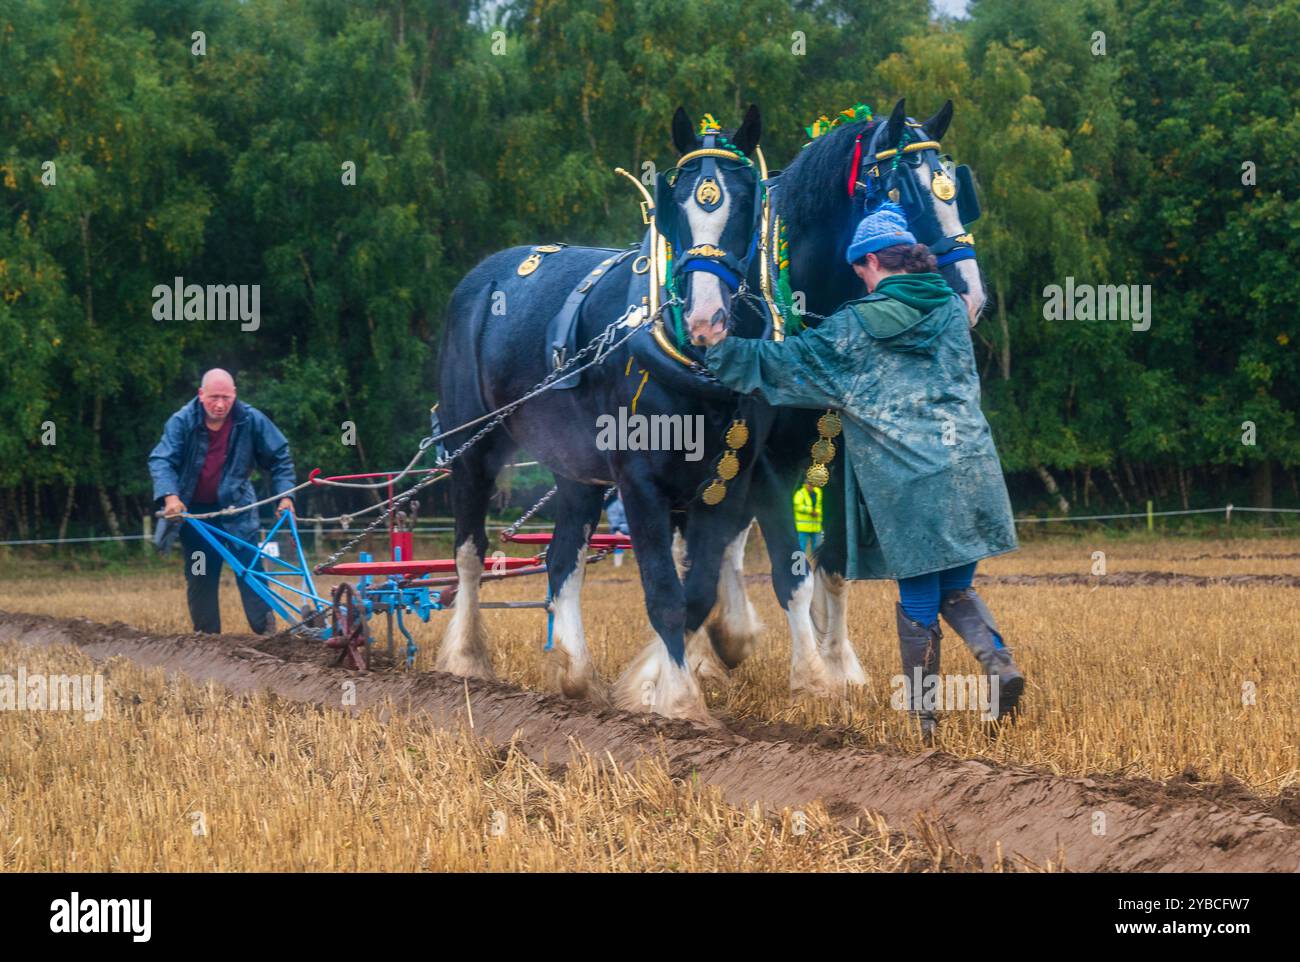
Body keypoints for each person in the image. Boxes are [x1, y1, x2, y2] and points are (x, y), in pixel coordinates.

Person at [690, 202, 1025, 740]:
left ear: (873, 261)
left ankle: (925, 721)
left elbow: (784, 365)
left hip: (914, 484)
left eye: (859, 270)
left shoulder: (856, 327)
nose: (858, 281)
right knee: (956, 589)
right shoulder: (951, 310)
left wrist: (719, 346)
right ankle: (1001, 665)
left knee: (917, 599)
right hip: (973, 470)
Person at [148, 368, 298, 635]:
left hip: (237, 509)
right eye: (214, 397)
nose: (220, 404)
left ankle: (268, 634)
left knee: (252, 571)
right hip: (194, 515)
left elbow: (280, 458)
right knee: (201, 574)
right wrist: (171, 497)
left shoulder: (250, 420)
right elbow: (162, 460)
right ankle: (208, 641)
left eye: (226, 398)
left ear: (235, 395)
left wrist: (286, 496)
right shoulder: (181, 421)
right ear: (201, 394)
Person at [793, 480, 824, 559]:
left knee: (818, 550)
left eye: (812, 484)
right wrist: (810, 511)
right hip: (803, 528)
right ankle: (800, 568)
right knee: (801, 549)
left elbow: (821, 506)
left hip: (816, 527)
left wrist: (817, 512)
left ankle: (816, 568)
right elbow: (797, 507)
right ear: (805, 484)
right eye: (809, 484)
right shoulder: (800, 494)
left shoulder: (818, 493)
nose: (810, 486)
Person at [604, 488, 629, 567]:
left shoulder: (631, 505)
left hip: (633, 530)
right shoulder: (614, 506)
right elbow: (613, 519)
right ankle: (618, 566)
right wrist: (616, 530)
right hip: (620, 531)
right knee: (618, 545)